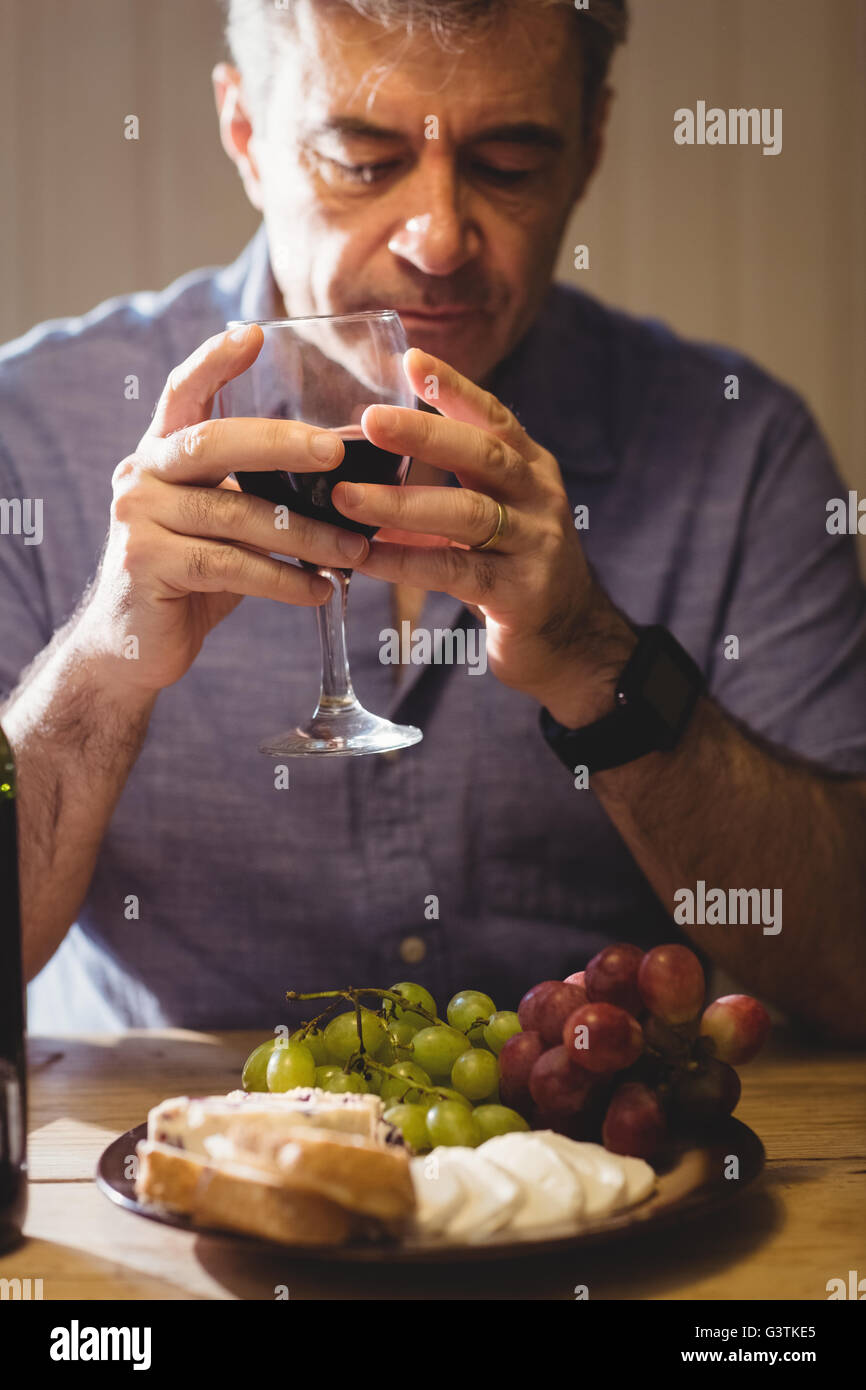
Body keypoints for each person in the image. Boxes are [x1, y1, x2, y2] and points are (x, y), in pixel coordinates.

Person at [2, 0, 865, 1039]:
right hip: (158, 1177)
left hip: (586, 1178)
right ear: (245, 134)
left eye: (506, 161)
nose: (439, 237)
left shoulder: (741, 449)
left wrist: (600, 665)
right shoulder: (32, 428)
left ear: (589, 145)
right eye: (363, 161)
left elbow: (849, 965)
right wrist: (100, 665)